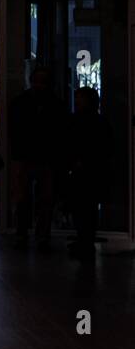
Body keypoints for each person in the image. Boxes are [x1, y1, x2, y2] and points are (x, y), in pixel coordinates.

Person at [7, 66, 67, 247]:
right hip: (41, 156)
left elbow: (14, 130)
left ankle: (23, 232)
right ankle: (38, 233)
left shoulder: (20, 102)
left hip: (30, 156)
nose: (39, 85)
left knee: (27, 197)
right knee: (40, 198)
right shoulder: (56, 104)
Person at [66, 87, 113, 260]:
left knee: (82, 209)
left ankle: (84, 241)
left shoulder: (77, 121)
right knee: (88, 209)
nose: (78, 102)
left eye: (80, 98)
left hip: (85, 173)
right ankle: (86, 241)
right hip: (92, 172)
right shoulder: (99, 122)